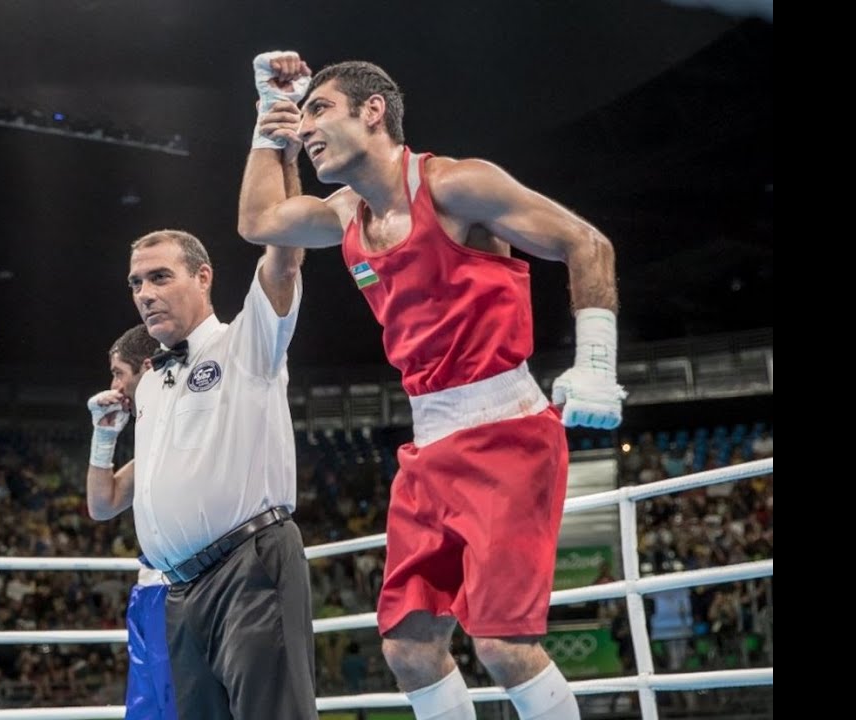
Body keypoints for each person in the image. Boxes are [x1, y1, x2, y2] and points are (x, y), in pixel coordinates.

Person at [238, 51, 626, 720]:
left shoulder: (455, 185)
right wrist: (265, 129)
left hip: (507, 433)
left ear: (373, 110)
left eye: (319, 109)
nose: (307, 127)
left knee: (504, 646)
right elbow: (259, 223)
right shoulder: (344, 216)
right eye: (302, 118)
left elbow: (586, 242)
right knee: (410, 650)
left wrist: (596, 363)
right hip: (430, 448)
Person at [86, 228, 316, 719]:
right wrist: (104, 437)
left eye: (160, 277)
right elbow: (104, 504)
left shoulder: (246, 344)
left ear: (203, 277)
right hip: (179, 590)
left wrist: (272, 152)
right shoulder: (149, 387)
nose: (145, 293)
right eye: (136, 283)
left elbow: (284, 260)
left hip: (248, 566)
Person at [88, 324, 177, 719]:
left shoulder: (183, 427)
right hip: (150, 591)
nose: (114, 386)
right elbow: (101, 505)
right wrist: (103, 438)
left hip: (184, 592)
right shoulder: (153, 438)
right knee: (148, 710)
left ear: (145, 367)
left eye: (119, 373)